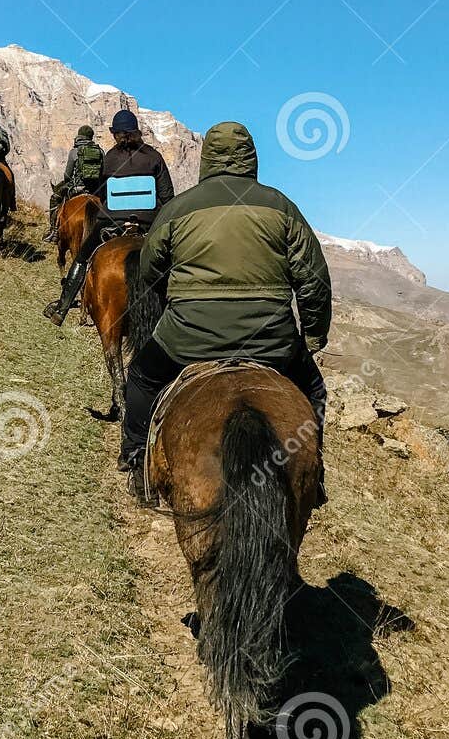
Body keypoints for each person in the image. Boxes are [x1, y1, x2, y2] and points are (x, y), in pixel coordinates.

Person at [118, 121, 330, 496]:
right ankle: (314, 478)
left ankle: (135, 456)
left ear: (207, 159)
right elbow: (313, 279)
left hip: (186, 339)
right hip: (271, 342)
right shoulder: (281, 205)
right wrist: (312, 337)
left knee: (141, 378)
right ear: (251, 157)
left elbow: (150, 269)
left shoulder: (179, 208)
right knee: (312, 388)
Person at [42, 108, 174, 325]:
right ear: (136, 132)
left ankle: (63, 307)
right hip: (149, 221)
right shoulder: (154, 157)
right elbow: (168, 196)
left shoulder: (110, 158)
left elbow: (101, 194)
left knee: (83, 257)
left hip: (112, 221)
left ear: (115, 134)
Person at [44, 124, 106, 242]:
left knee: (54, 198)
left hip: (77, 189)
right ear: (91, 137)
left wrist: (70, 182)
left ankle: (54, 230)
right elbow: (104, 173)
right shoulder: (100, 152)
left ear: (79, 136)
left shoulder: (74, 152)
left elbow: (67, 175)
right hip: (96, 191)